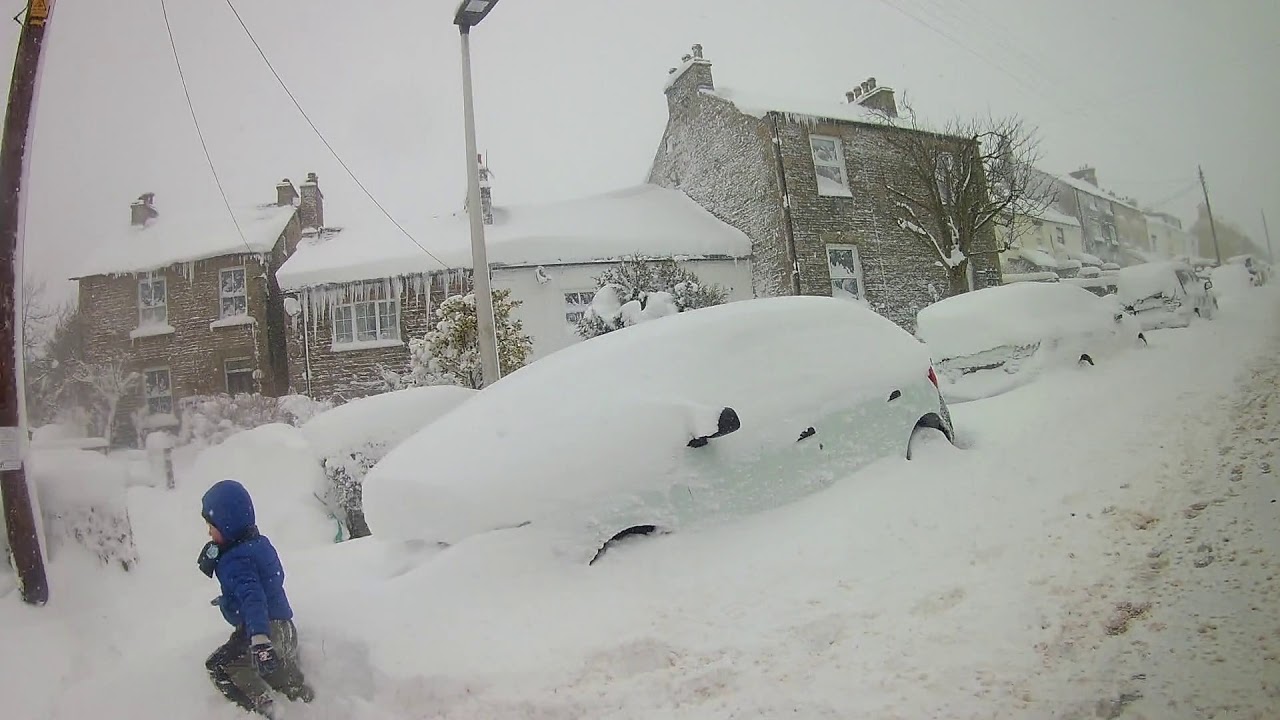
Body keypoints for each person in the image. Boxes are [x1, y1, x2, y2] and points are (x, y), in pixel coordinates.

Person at [199, 479, 315, 717]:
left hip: (265, 632)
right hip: (284, 629)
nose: (209, 531)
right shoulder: (257, 545)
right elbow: (267, 583)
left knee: (220, 667)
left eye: (212, 525)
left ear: (228, 525)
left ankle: (262, 707)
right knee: (271, 668)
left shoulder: (236, 561)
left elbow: (253, 597)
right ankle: (298, 692)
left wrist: (260, 640)